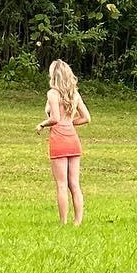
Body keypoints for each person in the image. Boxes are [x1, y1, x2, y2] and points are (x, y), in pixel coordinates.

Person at [36, 58, 90, 225]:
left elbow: (55, 118)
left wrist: (41, 124)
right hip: (73, 140)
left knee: (61, 184)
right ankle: (78, 222)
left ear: (54, 76)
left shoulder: (52, 93)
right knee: (75, 184)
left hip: (58, 139)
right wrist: (71, 123)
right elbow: (86, 118)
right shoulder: (74, 94)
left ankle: (63, 222)